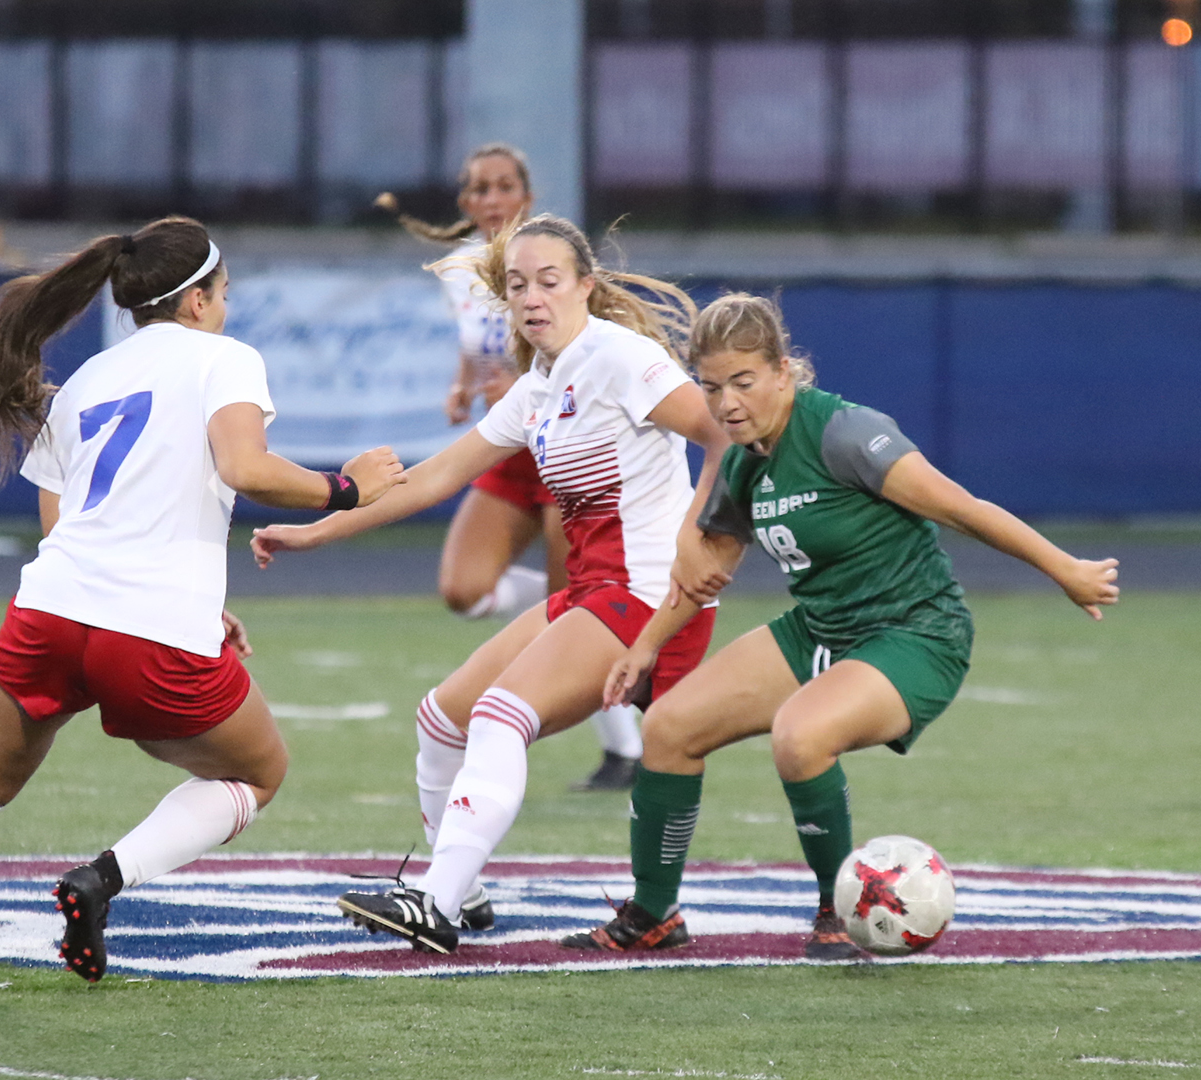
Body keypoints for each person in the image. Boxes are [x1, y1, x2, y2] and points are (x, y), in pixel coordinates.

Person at [0, 216, 404, 984]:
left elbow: (65, 525)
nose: (226, 309)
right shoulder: (223, 357)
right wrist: (348, 487)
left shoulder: (89, 379)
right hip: (149, 629)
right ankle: (99, 881)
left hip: (52, 609)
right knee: (256, 775)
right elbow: (246, 467)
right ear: (195, 303)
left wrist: (197, 600)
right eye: (222, 293)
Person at [560, 294, 1120, 959]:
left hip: (915, 632)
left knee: (801, 735)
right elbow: (706, 570)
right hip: (821, 628)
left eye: (743, 382)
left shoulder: (844, 434)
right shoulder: (743, 460)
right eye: (711, 387)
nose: (727, 402)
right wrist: (647, 647)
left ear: (780, 370)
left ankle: (837, 906)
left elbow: (963, 508)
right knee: (668, 728)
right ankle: (654, 913)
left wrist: (1066, 570)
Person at [251, 214, 732, 954]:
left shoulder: (618, 355)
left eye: (548, 281)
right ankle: (461, 891)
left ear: (586, 288)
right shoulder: (539, 385)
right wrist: (316, 527)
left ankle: (433, 904)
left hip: (647, 597)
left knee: (502, 714)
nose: (532, 298)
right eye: (516, 285)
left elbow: (724, 430)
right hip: (595, 594)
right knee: (441, 719)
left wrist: (706, 535)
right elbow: (428, 481)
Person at [380, 144, 645, 792]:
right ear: (467, 203)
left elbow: (587, 353)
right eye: (482, 189)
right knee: (464, 589)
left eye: (505, 187)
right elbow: (480, 344)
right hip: (506, 446)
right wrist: (461, 384)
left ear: (525, 196)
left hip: (568, 447)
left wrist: (531, 392)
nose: (494, 199)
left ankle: (626, 750)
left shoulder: (549, 260)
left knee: (578, 614)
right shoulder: (462, 269)